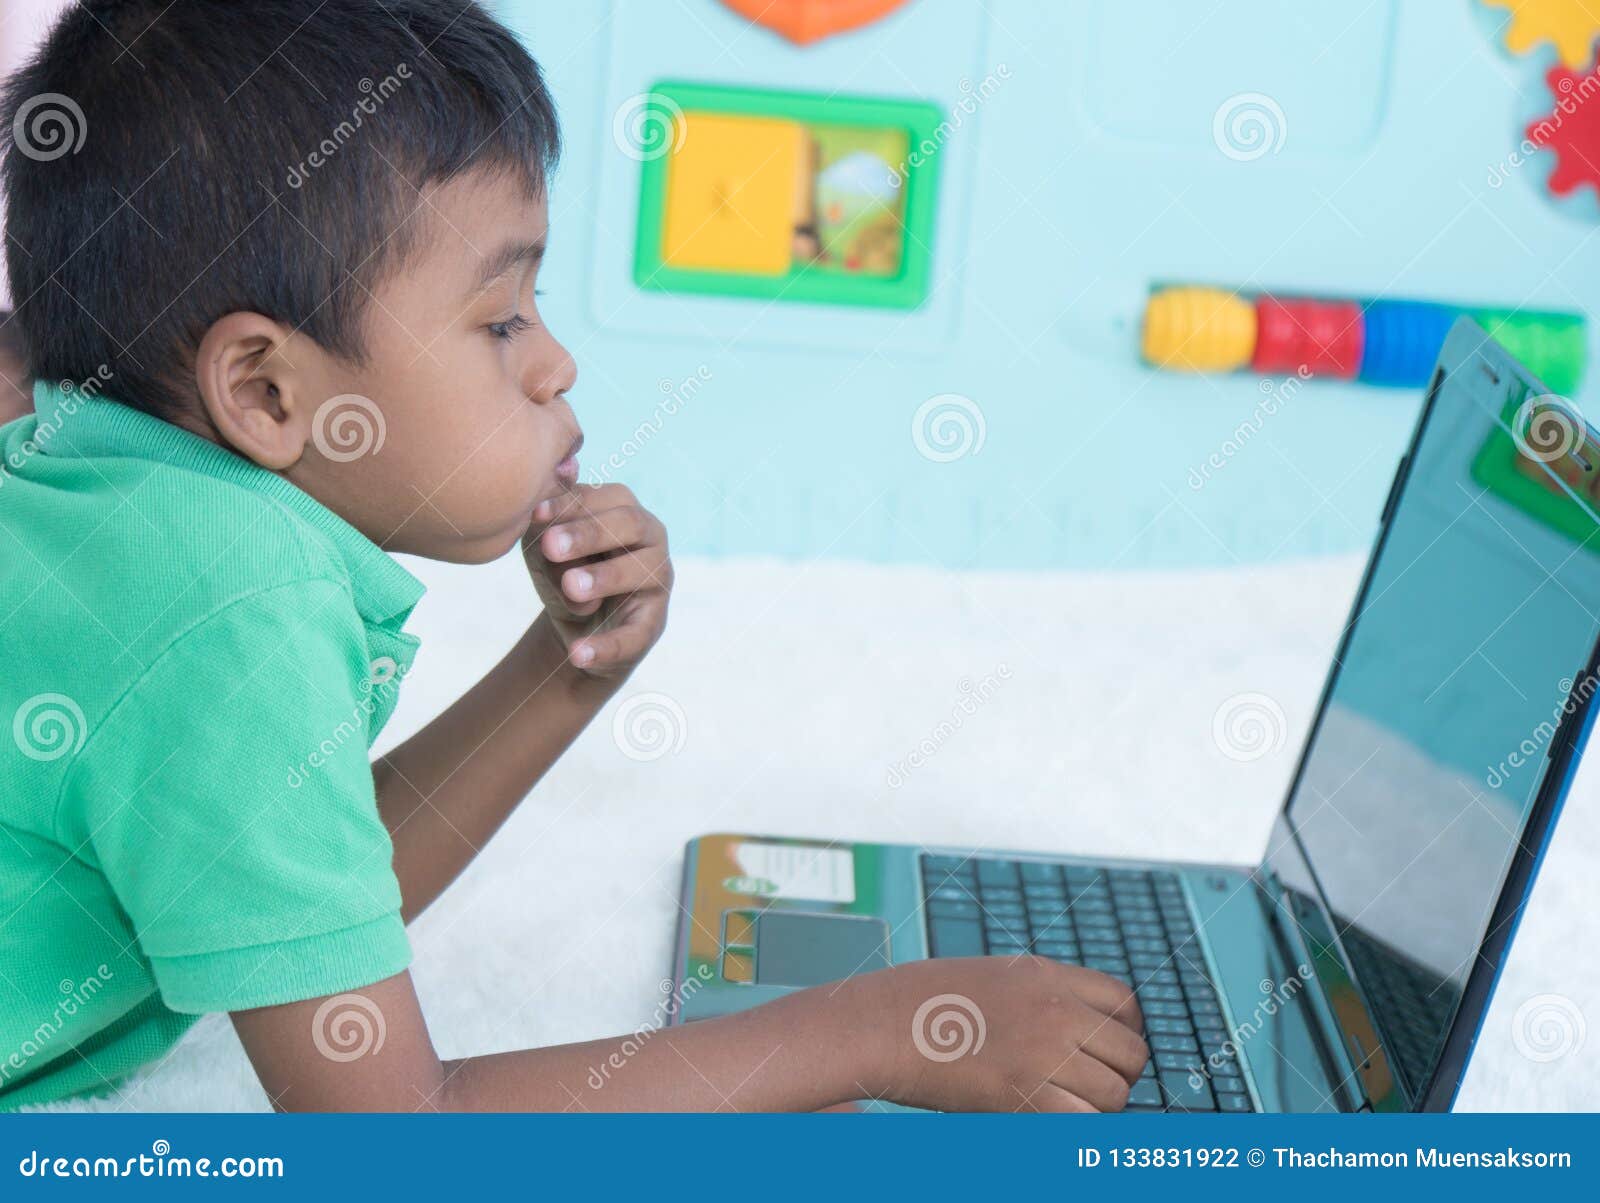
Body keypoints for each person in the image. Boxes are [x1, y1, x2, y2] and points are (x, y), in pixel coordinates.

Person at [0, 0, 1145, 1112]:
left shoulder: (110, 500)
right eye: (500, 319)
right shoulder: (235, 604)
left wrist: (567, 665)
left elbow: (289, 891)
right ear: (263, 390)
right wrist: (877, 1033)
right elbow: (393, 1140)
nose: (555, 364)